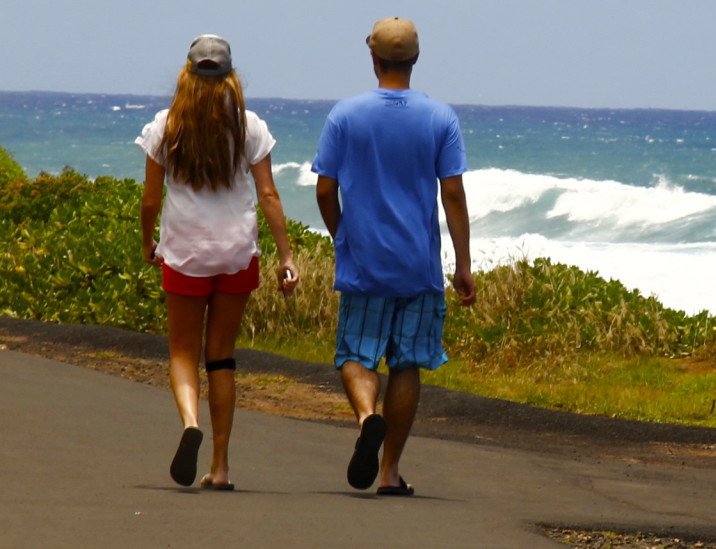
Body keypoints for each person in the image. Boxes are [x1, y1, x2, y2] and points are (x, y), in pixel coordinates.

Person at [313, 17, 476, 496]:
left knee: (354, 355)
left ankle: (367, 418)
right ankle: (389, 473)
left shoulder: (345, 115)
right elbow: (454, 196)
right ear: (416, 59)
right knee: (406, 364)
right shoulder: (440, 117)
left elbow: (325, 190)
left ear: (373, 58)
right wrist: (462, 265)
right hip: (418, 264)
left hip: (365, 260)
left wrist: (342, 235)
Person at [137, 34, 299, 490]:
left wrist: (147, 242)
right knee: (221, 358)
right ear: (230, 77)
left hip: (185, 253)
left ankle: (190, 423)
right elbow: (268, 194)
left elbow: (151, 199)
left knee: (183, 352)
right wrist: (286, 256)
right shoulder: (249, 127)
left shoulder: (164, 128)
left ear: (186, 74)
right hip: (235, 254)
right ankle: (221, 467)